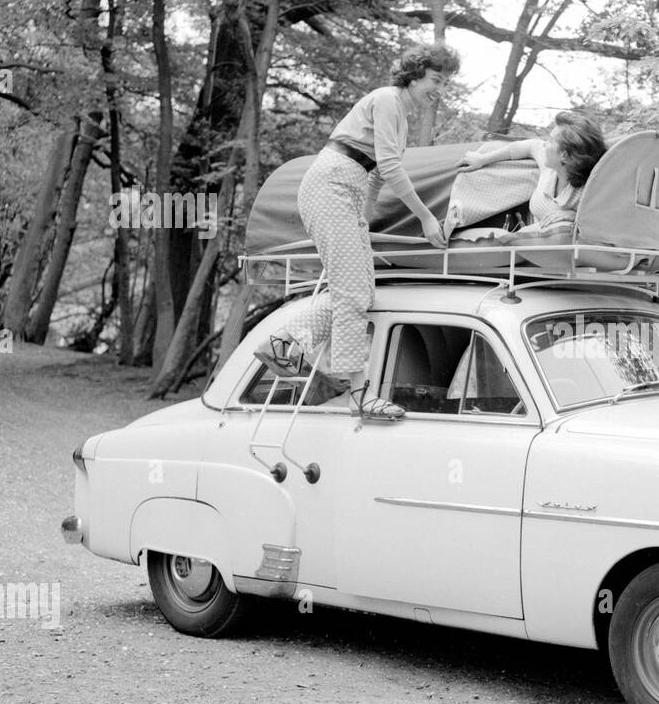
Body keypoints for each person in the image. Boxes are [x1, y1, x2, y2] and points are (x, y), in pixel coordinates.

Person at [256, 43, 460, 421]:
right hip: (330, 186)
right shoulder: (386, 99)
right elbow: (390, 168)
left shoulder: (402, 114)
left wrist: (363, 223)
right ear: (415, 75)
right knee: (351, 294)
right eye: (436, 80)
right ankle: (360, 396)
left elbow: (378, 177)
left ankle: (282, 343)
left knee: (360, 292)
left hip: (346, 195)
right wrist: (427, 218)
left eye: (445, 83)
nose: (440, 90)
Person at [454, 111, 607, 236]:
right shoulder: (550, 168)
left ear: (565, 156)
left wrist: (577, 218)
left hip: (536, 245)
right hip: (516, 225)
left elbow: (605, 226)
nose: (544, 144)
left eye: (550, 141)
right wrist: (482, 159)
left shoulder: (586, 195)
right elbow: (530, 146)